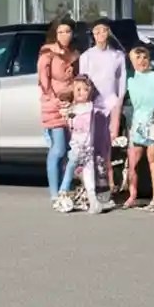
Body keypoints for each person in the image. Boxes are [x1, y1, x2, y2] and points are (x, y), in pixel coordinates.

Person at [80, 19, 126, 200]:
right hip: (92, 106)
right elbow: (82, 84)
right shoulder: (87, 56)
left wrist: (117, 110)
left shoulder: (118, 56)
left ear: (108, 33)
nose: (100, 35)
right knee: (90, 147)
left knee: (108, 148)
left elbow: (120, 86)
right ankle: (90, 188)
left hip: (111, 105)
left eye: (104, 31)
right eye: (97, 32)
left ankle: (108, 186)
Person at [38, 17, 79, 209]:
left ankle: (66, 188)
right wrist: (56, 102)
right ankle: (55, 194)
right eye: (61, 32)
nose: (65, 35)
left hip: (72, 104)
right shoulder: (48, 52)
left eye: (68, 31)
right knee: (58, 149)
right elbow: (43, 82)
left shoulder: (74, 53)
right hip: (53, 105)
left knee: (72, 151)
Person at [123, 46, 154, 211]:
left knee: (152, 158)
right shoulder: (130, 78)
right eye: (138, 58)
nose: (142, 61)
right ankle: (132, 195)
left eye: (145, 57)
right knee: (133, 161)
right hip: (137, 122)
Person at [54, 76, 106, 214]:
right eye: (77, 89)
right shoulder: (73, 108)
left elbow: (86, 127)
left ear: (90, 92)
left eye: (84, 90)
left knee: (87, 172)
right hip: (76, 146)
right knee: (73, 167)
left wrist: (70, 115)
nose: (80, 92)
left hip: (85, 147)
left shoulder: (89, 108)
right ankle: (66, 192)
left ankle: (92, 199)